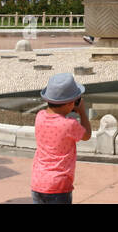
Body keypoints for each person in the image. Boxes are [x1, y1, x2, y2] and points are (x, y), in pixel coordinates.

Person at [32, 73, 92, 203]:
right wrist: (82, 111)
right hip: (59, 186)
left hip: (38, 182)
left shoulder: (40, 116)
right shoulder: (70, 124)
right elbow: (87, 135)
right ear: (70, 103)